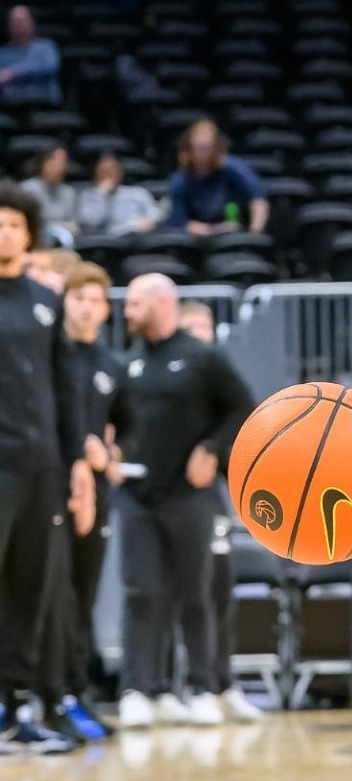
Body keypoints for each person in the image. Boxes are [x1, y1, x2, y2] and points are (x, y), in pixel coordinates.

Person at [114, 273, 254, 728]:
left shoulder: (203, 358)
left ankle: (202, 687)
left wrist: (212, 448)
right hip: (138, 497)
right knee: (143, 592)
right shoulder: (131, 365)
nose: (127, 311)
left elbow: (243, 406)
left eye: (135, 303)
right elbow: (115, 422)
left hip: (191, 496)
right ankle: (141, 689)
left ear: (161, 302)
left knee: (197, 592)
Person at [0, 182, 87, 754]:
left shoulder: (44, 300)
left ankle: (16, 707)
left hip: (42, 467)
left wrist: (76, 462)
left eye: (12, 224)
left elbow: (66, 388)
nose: (4, 233)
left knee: (34, 589)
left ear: (28, 234)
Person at [44, 261, 126, 740]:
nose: (87, 308)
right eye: (78, 298)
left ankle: (76, 693)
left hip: (94, 494)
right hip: (48, 487)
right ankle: (47, 694)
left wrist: (112, 451)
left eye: (96, 300)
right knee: (49, 599)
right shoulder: (49, 357)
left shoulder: (109, 366)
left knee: (81, 598)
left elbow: (126, 427)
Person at [166, 119, 267, 235]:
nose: (202, 155)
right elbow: (179, 223)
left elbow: (258, 198)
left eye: (207, 148)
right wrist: (212, 230)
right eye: (199, 148)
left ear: (216, 149)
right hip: (195, 238)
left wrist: (255, 232)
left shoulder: (231, 168)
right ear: (190, 149)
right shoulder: (179, 180)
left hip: (231, 234)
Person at [76, 152, 162, 237]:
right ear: (96, 174)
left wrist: (148, 221)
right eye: (103, 171)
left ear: (120, 173)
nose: (108, 175)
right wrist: (101, 196)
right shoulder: (88, 196)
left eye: (112, 171)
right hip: (105, 240)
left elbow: (156, 215)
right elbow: (92, 222)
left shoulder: (138, 193)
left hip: (137, 237)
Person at [0, 5, 58, 105]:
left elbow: (49, 66)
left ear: (31, 23)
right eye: (14, 22)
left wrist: (13, 72)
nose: (19, 25)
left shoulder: (46, 47)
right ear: (9, 26)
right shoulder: (3, 53)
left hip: (44, 106)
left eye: (22, 21)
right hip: (11, 106)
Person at [20, 145, 76, 235]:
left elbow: (74, 225)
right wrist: (60, 226)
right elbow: (33, 222)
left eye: (64, 161)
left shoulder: (69, 192)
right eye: (56, 161)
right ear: (44, 163)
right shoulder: (28, 189)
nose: (61, 166)